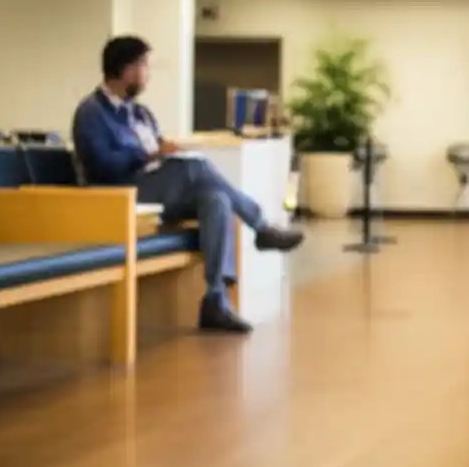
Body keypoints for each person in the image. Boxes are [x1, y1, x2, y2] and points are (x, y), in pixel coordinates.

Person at [73, 36, 304, 333]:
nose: (148, 74)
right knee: (195, 168)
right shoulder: (92, 112)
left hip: (152, 190)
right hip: (120, 193)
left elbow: (153, 151)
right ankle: (260, 226)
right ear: (125, 69)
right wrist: (149, 153)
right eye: (143, 65)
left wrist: (162, 150)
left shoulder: (140, 113)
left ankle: (216, 300)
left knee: (216, 199)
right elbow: (100, 165)